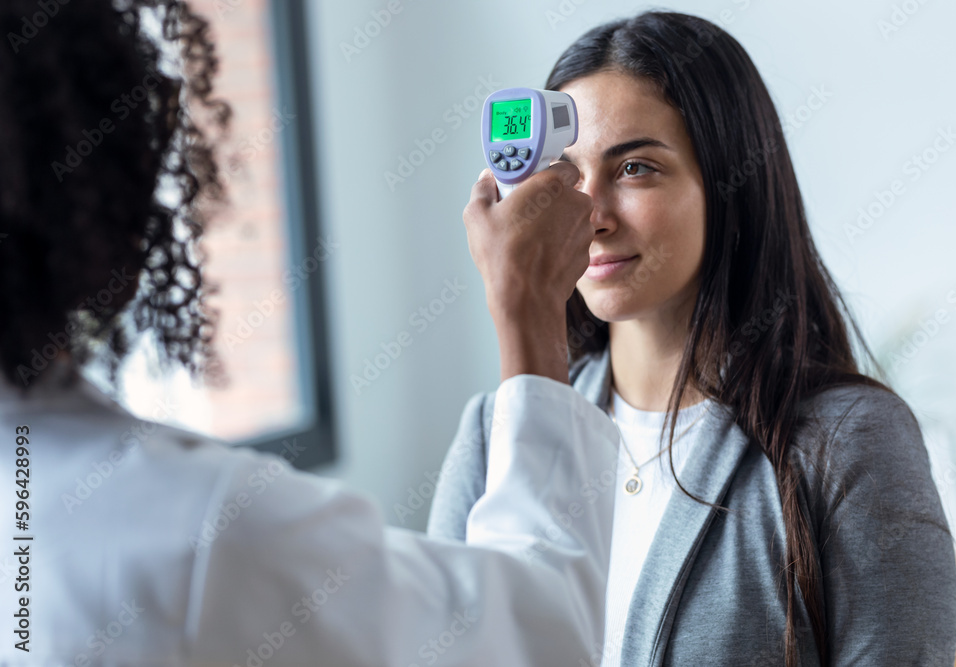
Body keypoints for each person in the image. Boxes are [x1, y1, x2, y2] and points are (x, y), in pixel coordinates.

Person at [0, 0, 620, 665]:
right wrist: (528, 308)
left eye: (637, 167)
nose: (602, 211)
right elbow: (535, 636)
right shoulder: (208, 529)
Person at [428, 11, 956, 667]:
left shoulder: (852, 440)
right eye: (564, 173)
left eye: (635, 168)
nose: (588, 214)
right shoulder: (492, 435)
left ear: (731, 186)